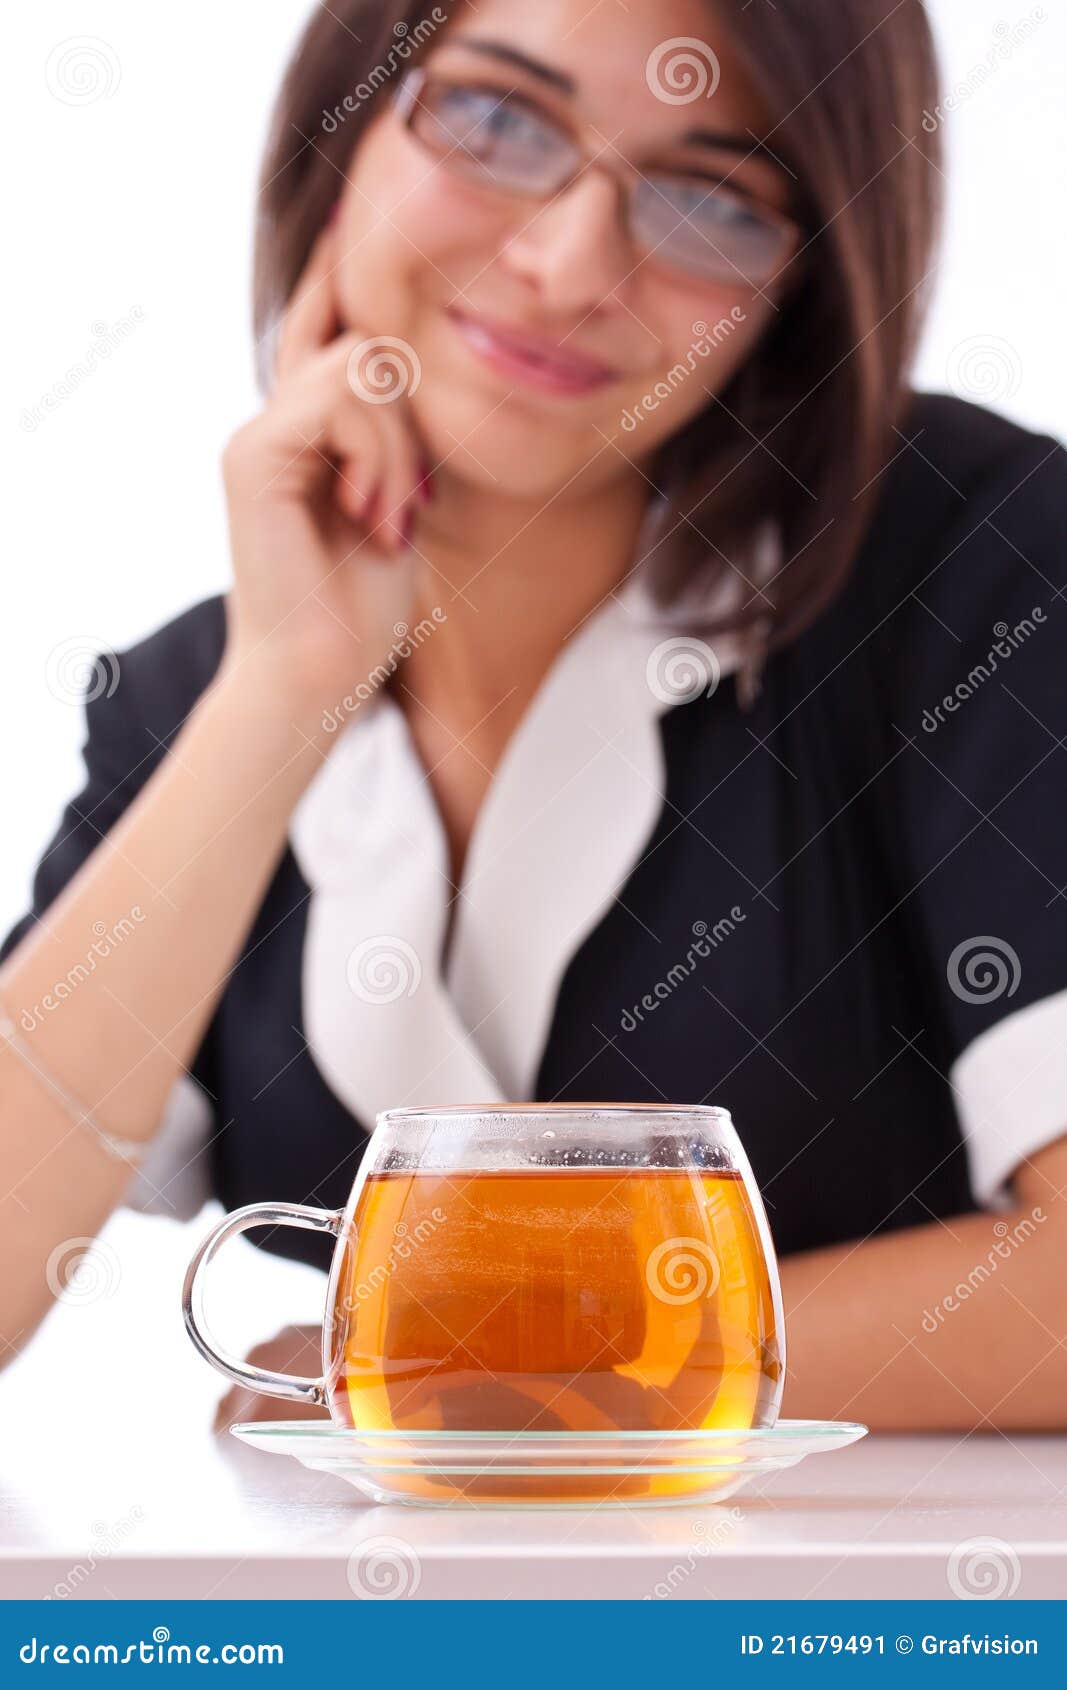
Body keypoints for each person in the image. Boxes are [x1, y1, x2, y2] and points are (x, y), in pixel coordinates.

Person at [2, 0, 1065, 1431]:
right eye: (496, 120)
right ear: (341, 132)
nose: (569, 265)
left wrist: (506, 1356)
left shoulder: (977, 570)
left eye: (714, 197)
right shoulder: (200, 695)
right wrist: (287, 693)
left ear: (802, 283)